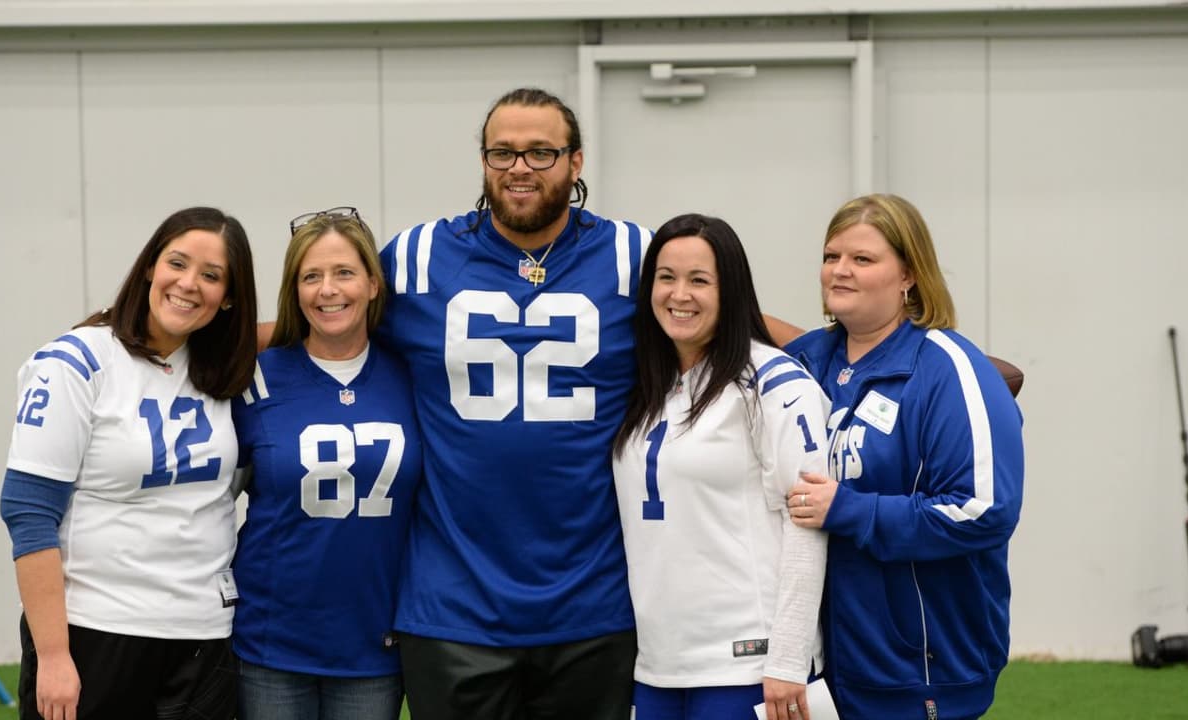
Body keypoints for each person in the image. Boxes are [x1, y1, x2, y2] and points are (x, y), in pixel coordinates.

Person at [376, 87, 646, 719]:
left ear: (576, 162)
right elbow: (315, 327)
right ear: (483, 161)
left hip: (594, 599)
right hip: (454, 600)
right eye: (502, 152)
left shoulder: (634, 255)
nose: (519, 168)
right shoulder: (416, 257)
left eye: (540, 152)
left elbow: (727, 322)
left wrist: (845, 343)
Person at [0, 206, 259, 720]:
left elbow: (295, 331)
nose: (189, 284)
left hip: (203, 636)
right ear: (149, 267)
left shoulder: (222, 368)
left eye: (211, 276)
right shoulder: (78, 361)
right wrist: (53, 655)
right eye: (177, 263)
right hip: (97, 629)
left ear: (229, 297)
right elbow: (28, 512)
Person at [784, 194, 1024, 720]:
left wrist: (848, 509)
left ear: (909, 275)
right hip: (820, 669)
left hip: (920, 672)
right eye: (831, 257)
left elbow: (984, 509)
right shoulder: (803, 362)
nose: (840, 270)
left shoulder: (952, 369)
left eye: (862, 259)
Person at [611, 214, 830, 720]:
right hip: (658, 666)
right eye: (666, 277)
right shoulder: (649, 385)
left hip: (750, 667)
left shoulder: (774, 383)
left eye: (699, 280)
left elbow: (807, 526)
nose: (679, 294)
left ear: (730, 290)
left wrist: (788, 659)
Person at [231, 207, 423, 720]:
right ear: (294, 290)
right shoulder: (256, 377)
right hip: (271, 641)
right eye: (311, 276)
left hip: (374, 642)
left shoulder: (414, 377)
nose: (327, 290)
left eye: (343, 272)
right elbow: (212, 499)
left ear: (373, 284)